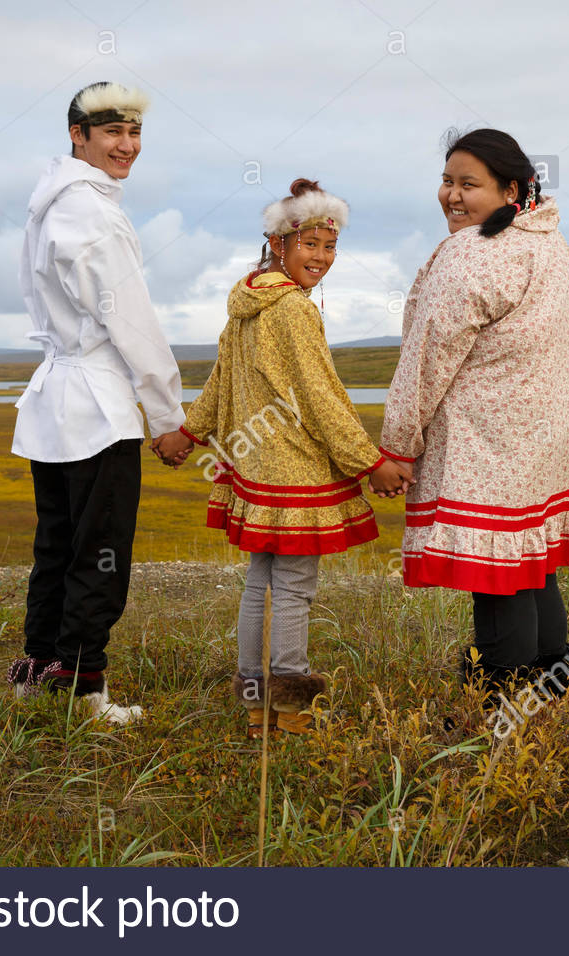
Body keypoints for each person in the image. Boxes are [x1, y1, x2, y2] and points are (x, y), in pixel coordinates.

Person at [155, 179, 413, 736]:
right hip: (294, 467)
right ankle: (290, 706)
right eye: (310, 245)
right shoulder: (293, 309)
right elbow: (319, 395)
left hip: (254, 466)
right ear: (279, 243)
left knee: (259, 582)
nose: (321, 257)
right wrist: (368, 462)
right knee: (294, 587)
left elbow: (222, 378)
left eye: (330, 246)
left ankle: (255, 704)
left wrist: (189, 433)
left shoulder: (247, 299)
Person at [379, 128, 569, 703]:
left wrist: (398, 445)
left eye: (469, 184)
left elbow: (426, 359)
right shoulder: (551, 244)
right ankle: (554, 690)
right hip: (549, 439)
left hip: (492, 442)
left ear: (510, 189)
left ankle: (505, 707)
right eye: (447, 181)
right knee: (533, 564)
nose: (453, 195)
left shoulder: (472, 251)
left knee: (497, 570)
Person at [4, 81, 185, 725]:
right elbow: (131, 323)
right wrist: (166, 416)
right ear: (77, 134)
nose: (127, 146)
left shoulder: (50, 204)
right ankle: (84, 692)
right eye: (112, 132)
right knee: (100, 550)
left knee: (57, 544)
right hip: (96, 403)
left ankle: (38, 675)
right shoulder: (91, 213)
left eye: (135, 134)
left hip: (56, 399)